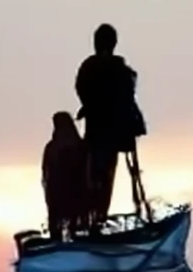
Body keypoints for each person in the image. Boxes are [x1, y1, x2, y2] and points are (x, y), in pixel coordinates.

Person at [74, 24, 146, 226]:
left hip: (101, 132)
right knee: (101, 175)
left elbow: (82, 89)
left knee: (96, 175)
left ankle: (95, 219)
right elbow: (126, 96)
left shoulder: (94, 67)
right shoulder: (117, 69)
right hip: (108, 132)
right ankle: (96, 219)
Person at [41, 111, 89, 240]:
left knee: (69, 218)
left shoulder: (76, 146)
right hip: (59, 188)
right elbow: (46, 170)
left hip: (71, 188)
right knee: (60, 218)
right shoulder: (54, 147)